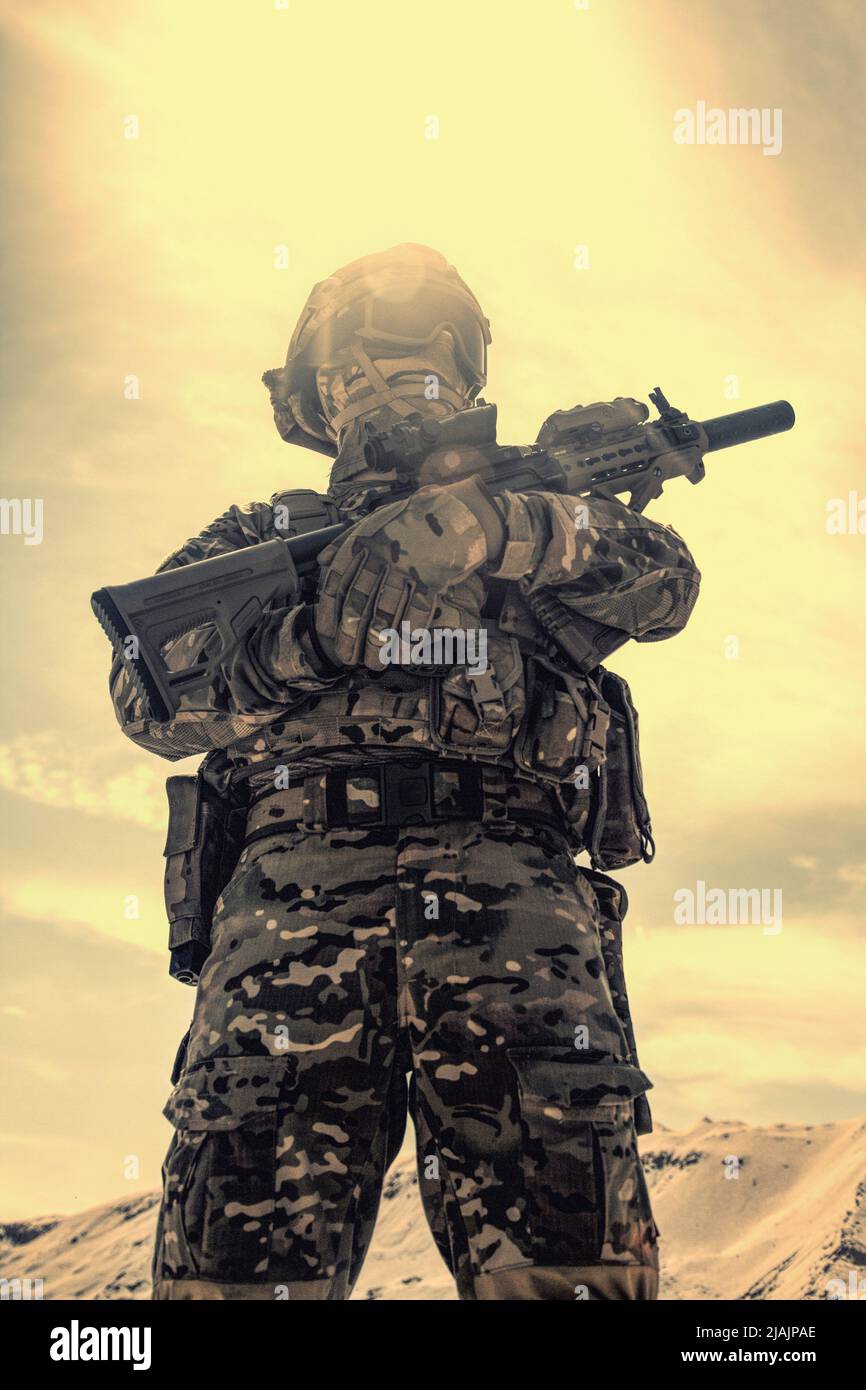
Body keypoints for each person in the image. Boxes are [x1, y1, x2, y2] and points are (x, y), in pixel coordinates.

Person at [109, 243, 700, 1300]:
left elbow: (662, 585)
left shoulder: (539, 511)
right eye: (359, 363)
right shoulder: (262, 533)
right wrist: (314, 635)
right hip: (289, 915)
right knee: (233, 1276)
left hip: (514, 910)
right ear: (316, 397)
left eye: (421, 357)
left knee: (570, 1274)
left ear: (467, 375)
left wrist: (506, 525)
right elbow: (148, 697)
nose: (389, 385)